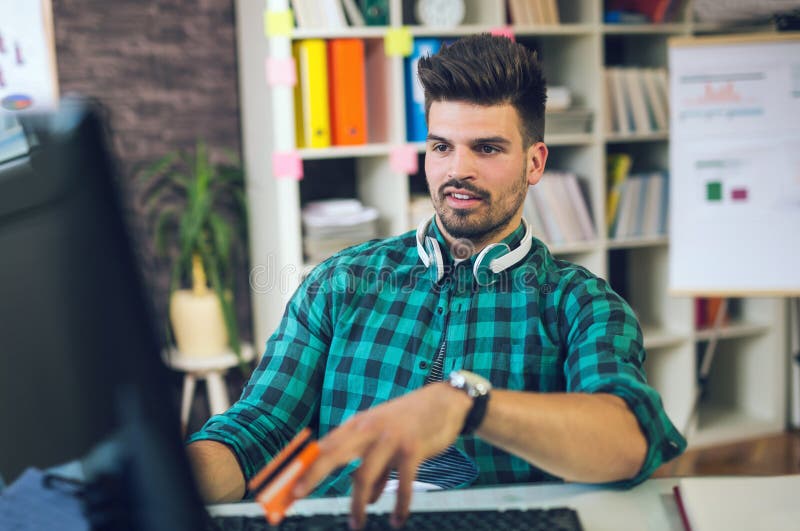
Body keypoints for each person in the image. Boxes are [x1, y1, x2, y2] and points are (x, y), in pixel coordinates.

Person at [187, 33, 686, 528]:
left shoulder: (581, 303)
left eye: (487, 149)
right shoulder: (341, 281)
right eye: (441, 146)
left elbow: (628, 439)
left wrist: (469, 407)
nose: (458, 170)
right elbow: (258, 428)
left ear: (534, 163)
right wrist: (162, 484)